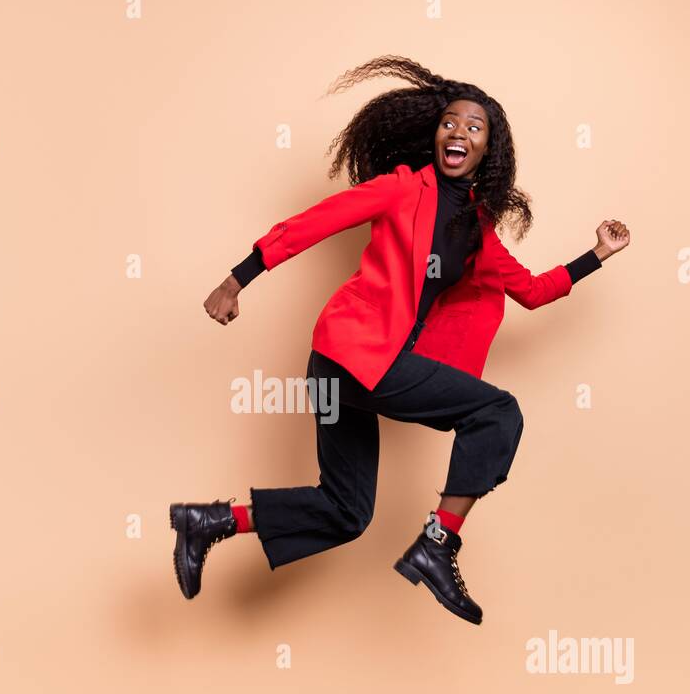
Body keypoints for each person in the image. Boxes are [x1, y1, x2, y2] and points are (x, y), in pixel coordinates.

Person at [171, 56, 630, 625]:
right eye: (450, 123)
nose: (458, 132)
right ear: (433, 134)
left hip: (357, 371)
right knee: (497, 412)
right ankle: (438, 544)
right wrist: (236, 279)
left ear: (490, 151)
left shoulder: (478, 232)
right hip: (352, 353)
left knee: (346, 513)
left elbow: (533, 291)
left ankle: (210, 522)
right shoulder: (400, 190)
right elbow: (315, 221)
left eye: (474, 127)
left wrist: (597, 256)